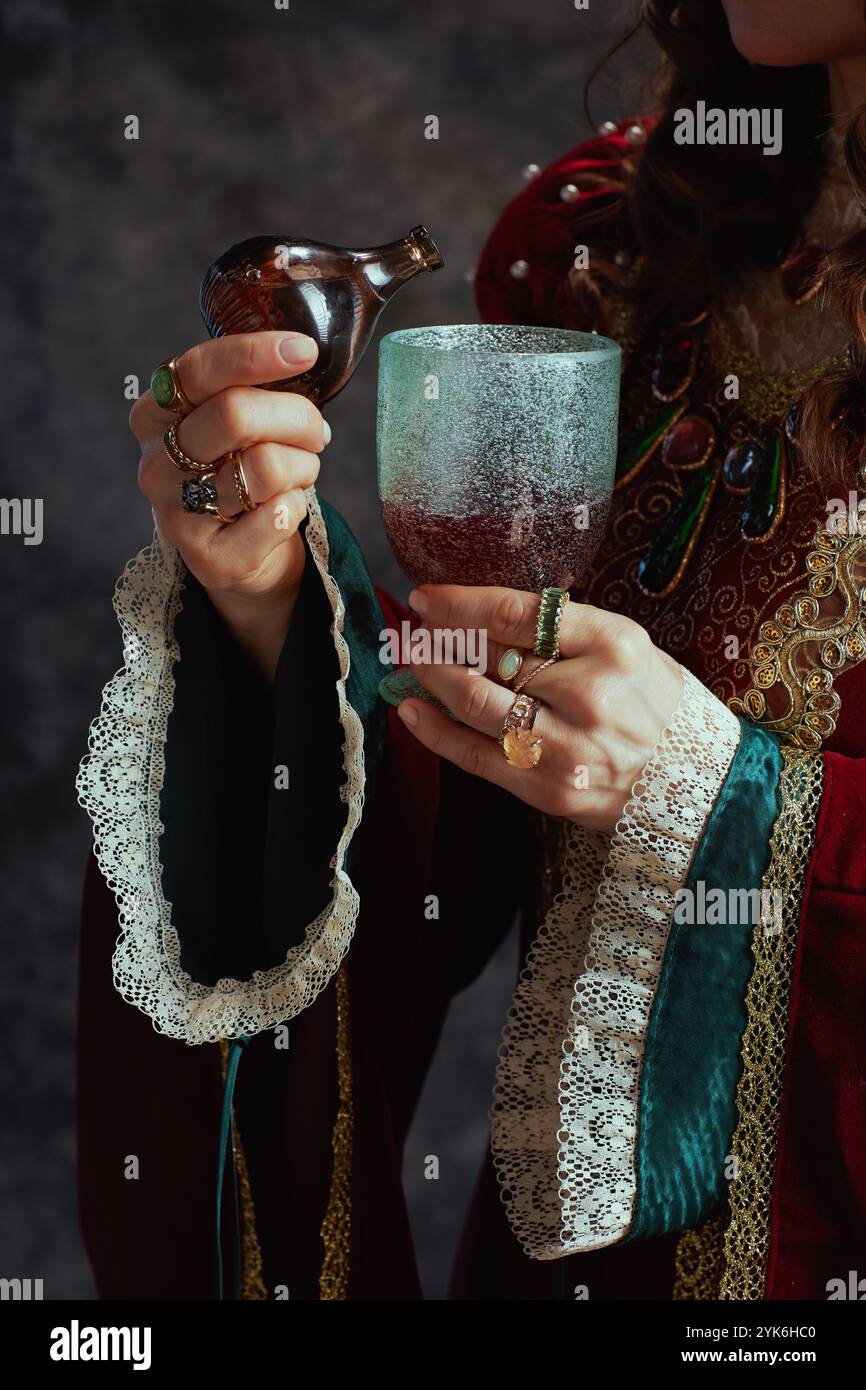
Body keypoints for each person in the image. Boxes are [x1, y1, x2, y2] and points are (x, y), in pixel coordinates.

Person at [77, 0, 866, 1300]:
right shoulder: (607, 248)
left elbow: (678, 779)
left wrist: (712, 793)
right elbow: (458, 799)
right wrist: (274, 635)